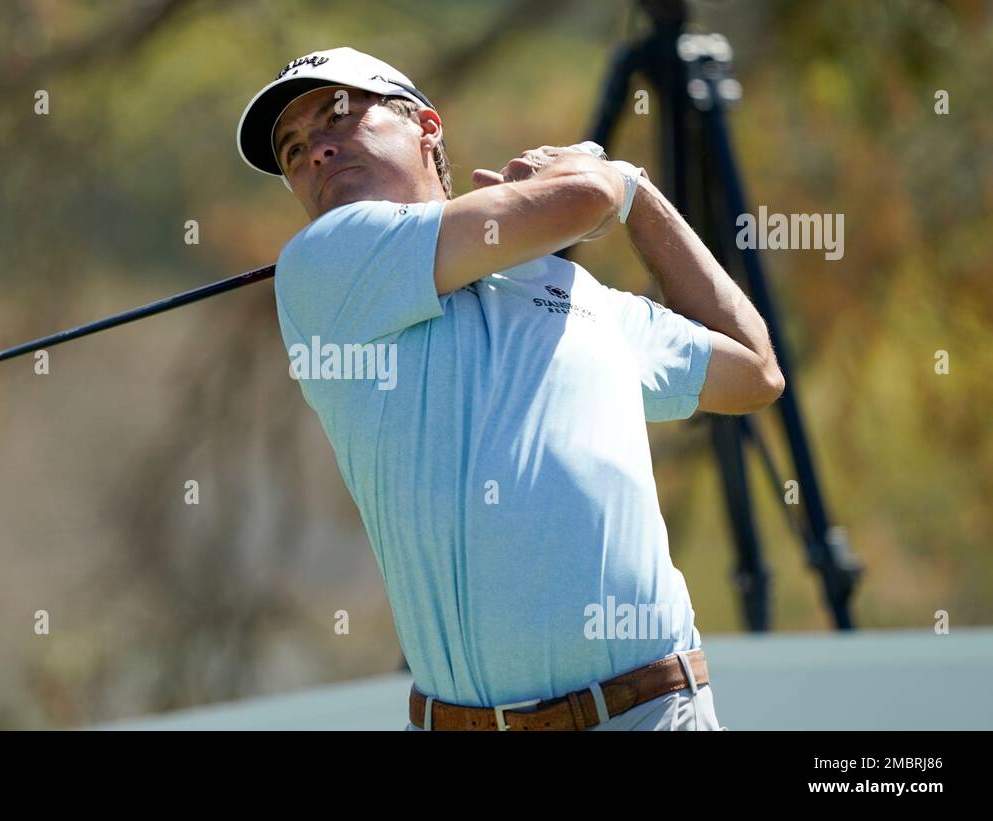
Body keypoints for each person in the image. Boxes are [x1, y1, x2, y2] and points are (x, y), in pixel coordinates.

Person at [236, 47, 781, 730]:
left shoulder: (581, 295)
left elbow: (755, 369)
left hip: (649, 711)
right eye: (293, 149)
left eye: (338, 118)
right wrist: (593, 178)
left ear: (426, 127)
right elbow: (582, 198)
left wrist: (638, 193)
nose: (315, 151)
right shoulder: (323, 262)